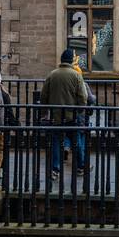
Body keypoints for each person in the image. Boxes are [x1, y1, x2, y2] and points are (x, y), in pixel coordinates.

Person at [41, 49, 90, 179]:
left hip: (56, 115)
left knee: (56, 142)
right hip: (72, 115)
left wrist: (45, 112)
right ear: (71, 61)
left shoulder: (52, 74)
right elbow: (83, 97)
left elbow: (43, 96)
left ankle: (55, 170)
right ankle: (81, 167)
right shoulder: (76, 75)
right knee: (77, 141)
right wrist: (80, 110)